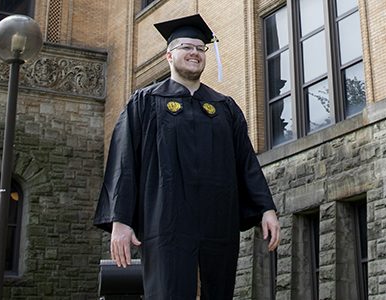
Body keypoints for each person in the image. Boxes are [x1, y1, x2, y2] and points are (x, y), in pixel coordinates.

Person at [93, 14, 280, 299]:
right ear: (169, 55)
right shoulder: (144, 103)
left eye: (199, 48)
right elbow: (124, 162)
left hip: (217, 221)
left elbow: (246, 162)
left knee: (217, 289)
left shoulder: (224, 108)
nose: (194, 52)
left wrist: (265, 208)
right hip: (165, 222)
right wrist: (121, 220)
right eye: (186, 47)